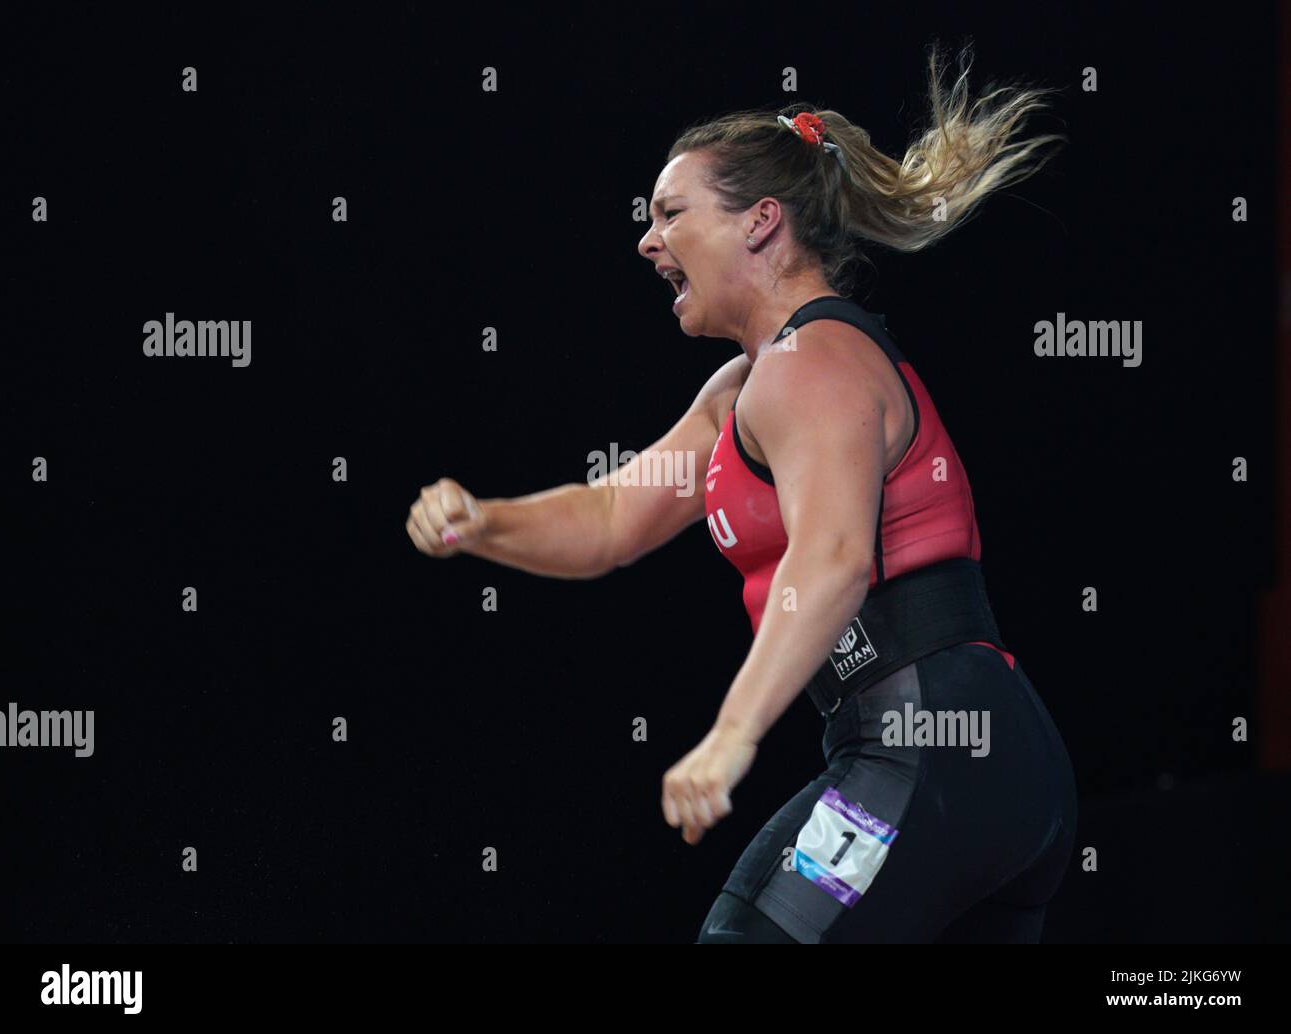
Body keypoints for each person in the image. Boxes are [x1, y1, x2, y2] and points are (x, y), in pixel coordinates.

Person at [406, 43, 1078, 943]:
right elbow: (612, 520)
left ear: (762, 223)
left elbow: (834, 559)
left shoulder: (812, 363)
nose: (647, 240)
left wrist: (731, 736)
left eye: (671, 214)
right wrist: (482, 524)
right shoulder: (743, 391)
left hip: (929, 744)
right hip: (973, 762)